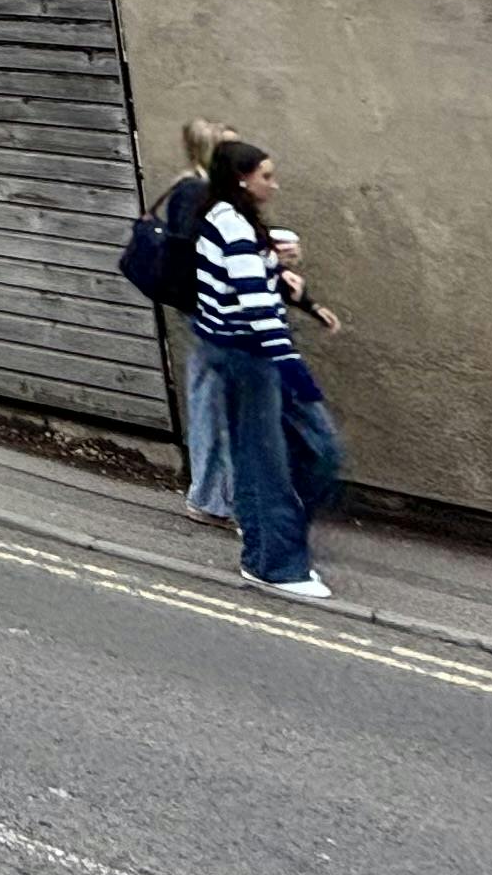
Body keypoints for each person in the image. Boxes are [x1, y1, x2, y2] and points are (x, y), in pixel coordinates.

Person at [192, 138, 346, 599]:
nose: (273, 185)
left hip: (255, 352)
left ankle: (268, 531)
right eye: (266, 176)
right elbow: (256, 308)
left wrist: (301, 295)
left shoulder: (239, 224)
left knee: (319, 451)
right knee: (265, 462)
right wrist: (290, 365)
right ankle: (272, 564)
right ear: (242, 178)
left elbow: (259, 281)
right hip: (249, 355)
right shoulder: (231, 227)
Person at [142, 119, 238, 526]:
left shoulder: (200, 190)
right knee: (213, 398)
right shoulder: (196, 193)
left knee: (212, 395)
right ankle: (210, 497)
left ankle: (213, 496)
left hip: (206, 305)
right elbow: (204, 252)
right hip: (206, 307)